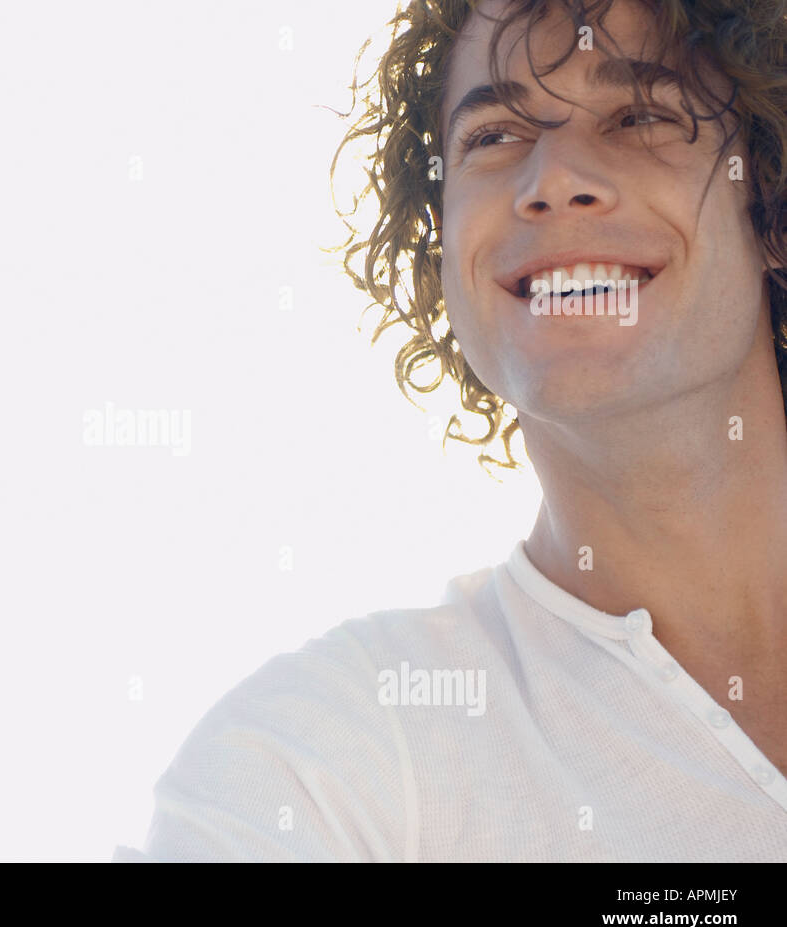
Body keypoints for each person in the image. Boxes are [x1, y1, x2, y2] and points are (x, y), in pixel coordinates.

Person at [113, 0, 787, 861]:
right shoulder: (334, 759)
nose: (552, 178)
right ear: (443, 250)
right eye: (495, 137)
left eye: (640, 115)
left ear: (768, 198)